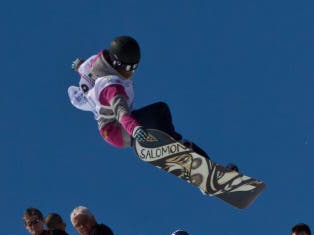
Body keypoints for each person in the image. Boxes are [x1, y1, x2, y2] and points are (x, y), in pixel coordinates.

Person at [68, 35, 228, 164]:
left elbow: (86, 71)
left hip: (115, 128)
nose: (132, 73)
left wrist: (79, 65)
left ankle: (189, 152)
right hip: (117, 130)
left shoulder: (98, 62)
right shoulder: (111, 87)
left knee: (162, 118)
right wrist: (135, 130)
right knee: (160, 111)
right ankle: (171, 146)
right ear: (119, 65)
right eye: (130, 69)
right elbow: (121, 112)